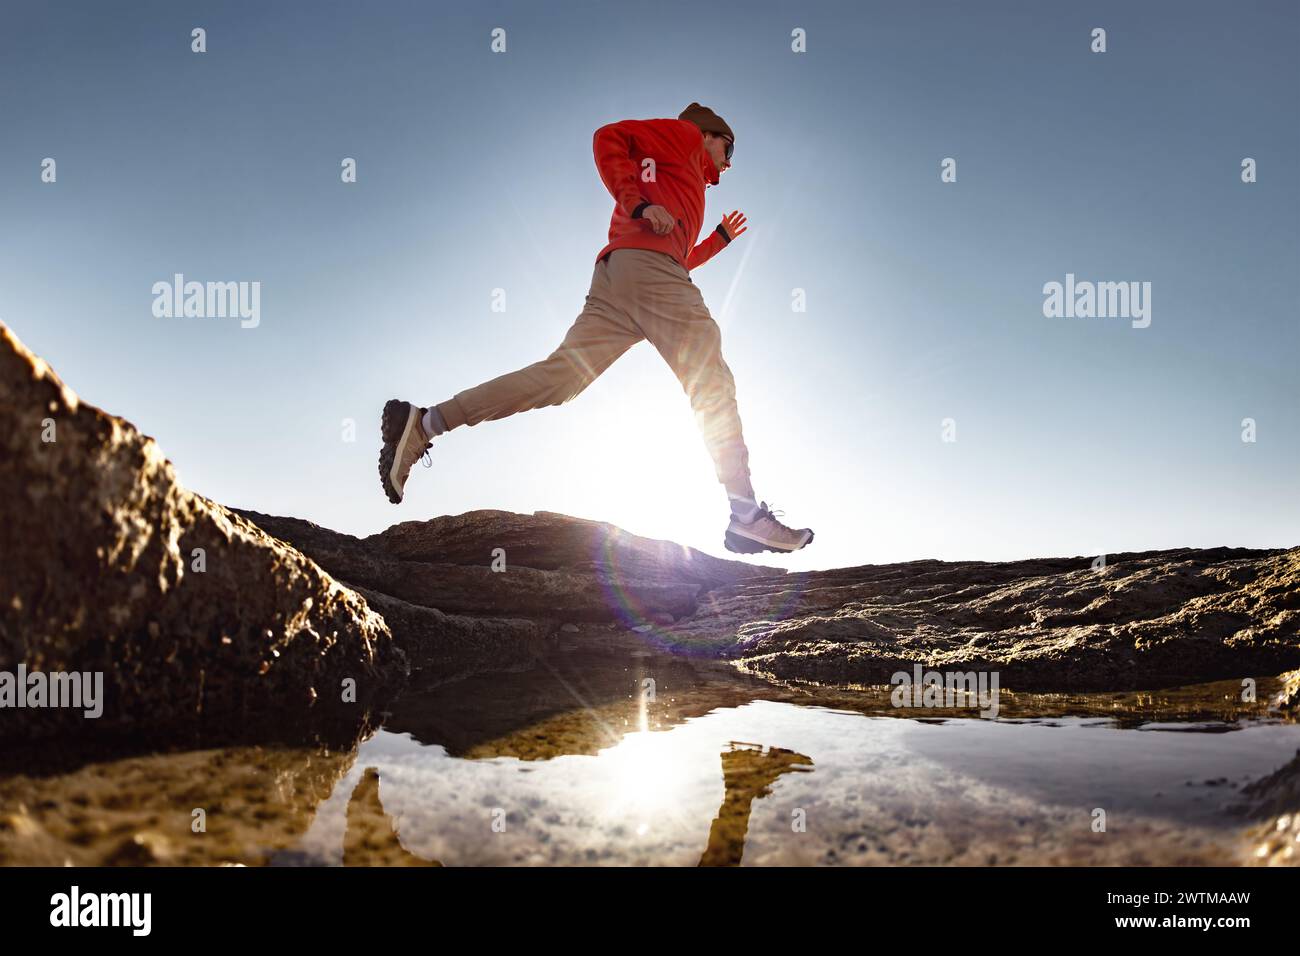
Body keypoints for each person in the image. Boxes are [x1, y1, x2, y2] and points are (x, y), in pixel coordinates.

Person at [378, 103, 813, 554]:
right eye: (729, 147)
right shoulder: (683, 137)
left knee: (560, 379)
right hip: (646, 271)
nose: (729, 162)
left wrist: (714, 242)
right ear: (708, 133)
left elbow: (676, 256)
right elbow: (608, 138)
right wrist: (638, 202)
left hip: (621, 277)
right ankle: (745, 515)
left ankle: (426, 423)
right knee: (709, 373)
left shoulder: (681, 179)